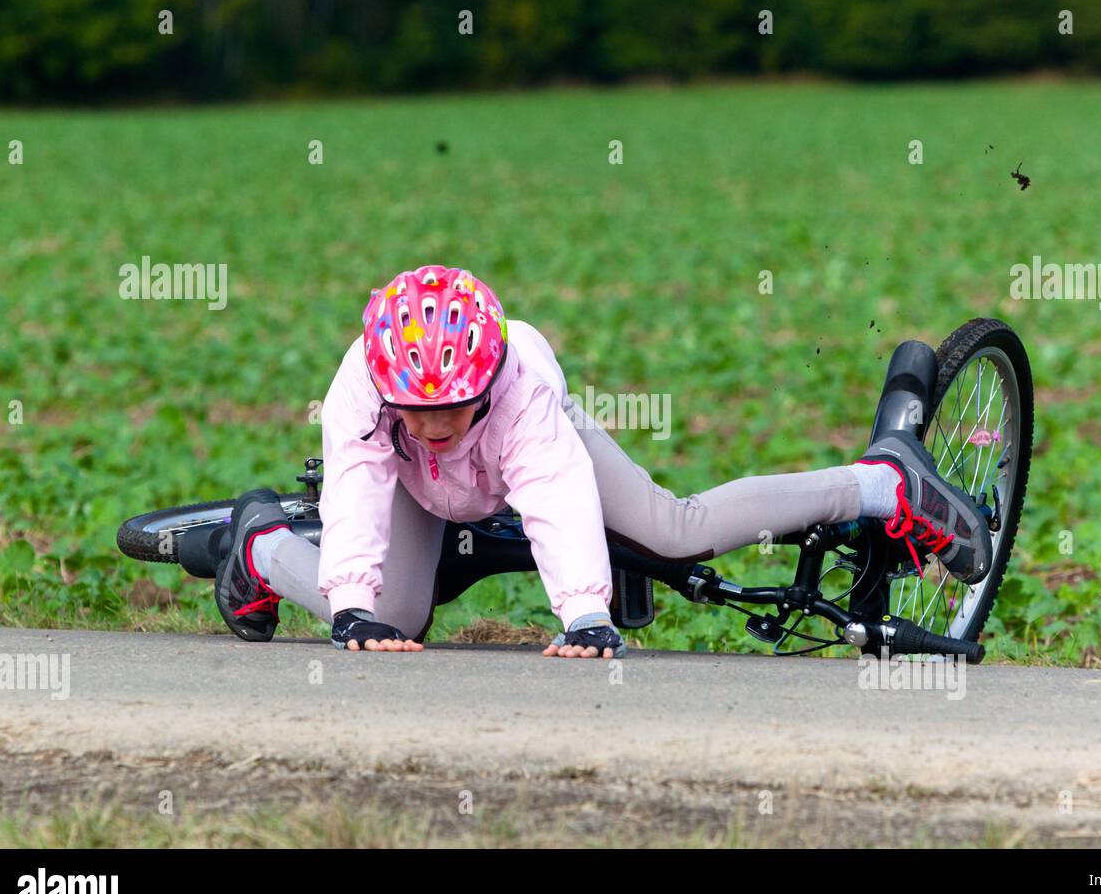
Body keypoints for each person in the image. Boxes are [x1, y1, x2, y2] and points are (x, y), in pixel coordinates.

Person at [213, 264, 991, 659]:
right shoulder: (365, 387)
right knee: (390, 622)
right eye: (417, 408)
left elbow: (552, 493)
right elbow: (355, 488)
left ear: (487, 379)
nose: (435, 421)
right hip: (423, 491)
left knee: (675, 530)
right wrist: (347, 602)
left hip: (535, 451)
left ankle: (879, 481)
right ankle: (258, 544)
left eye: (453, 404)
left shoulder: (521, 392)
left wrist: (585, 615)